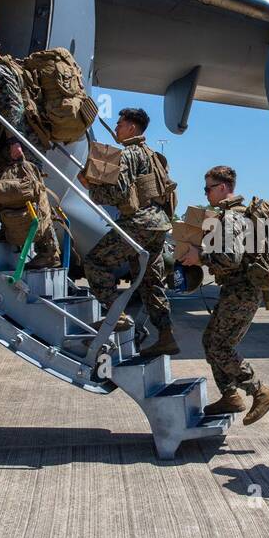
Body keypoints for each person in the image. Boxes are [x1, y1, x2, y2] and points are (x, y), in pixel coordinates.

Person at [177, 165, 269, 425]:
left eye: (208, 188)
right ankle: (230, 395)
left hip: (241, 291)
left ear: (223, 188)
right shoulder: (232, 216)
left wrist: (198, 257)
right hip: (238, 290)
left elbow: (230, 259)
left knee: (220, 345)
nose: (206, 194)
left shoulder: (231, 217)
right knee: (211, 341)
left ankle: (260, 391)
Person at [78, 108, 178, 357]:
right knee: (150, 281)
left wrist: (91, 187)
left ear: (132, 128)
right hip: (158, 223)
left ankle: (116, 315)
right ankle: (166, 336)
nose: (117, 128)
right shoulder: (152, 154)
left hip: (139, 222)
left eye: (120, 124)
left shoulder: (128, 154)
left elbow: (119, 193)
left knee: (95, 262)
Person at [0, 135, 61, 270]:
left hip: (24, 141)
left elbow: (14, 113)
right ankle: (8, 228)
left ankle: (49, 252)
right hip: (22, 141)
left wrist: (15, 141)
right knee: (3, 189)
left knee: (36, 197)